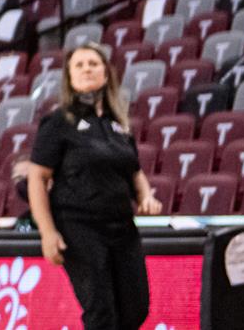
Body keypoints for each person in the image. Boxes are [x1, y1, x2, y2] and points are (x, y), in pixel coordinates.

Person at [26, 43, 162, 330]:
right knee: (101, 312)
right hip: (79, 226)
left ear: (106, 73)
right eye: (79, 65)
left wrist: (146, 196)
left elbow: (135, 170)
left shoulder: (119, 125)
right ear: (69, 77)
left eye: (93, 63)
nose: (87, 69)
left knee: (136, 309)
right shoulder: (59, 121)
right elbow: (37, 177)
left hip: (122, 227)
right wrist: (47, 233)